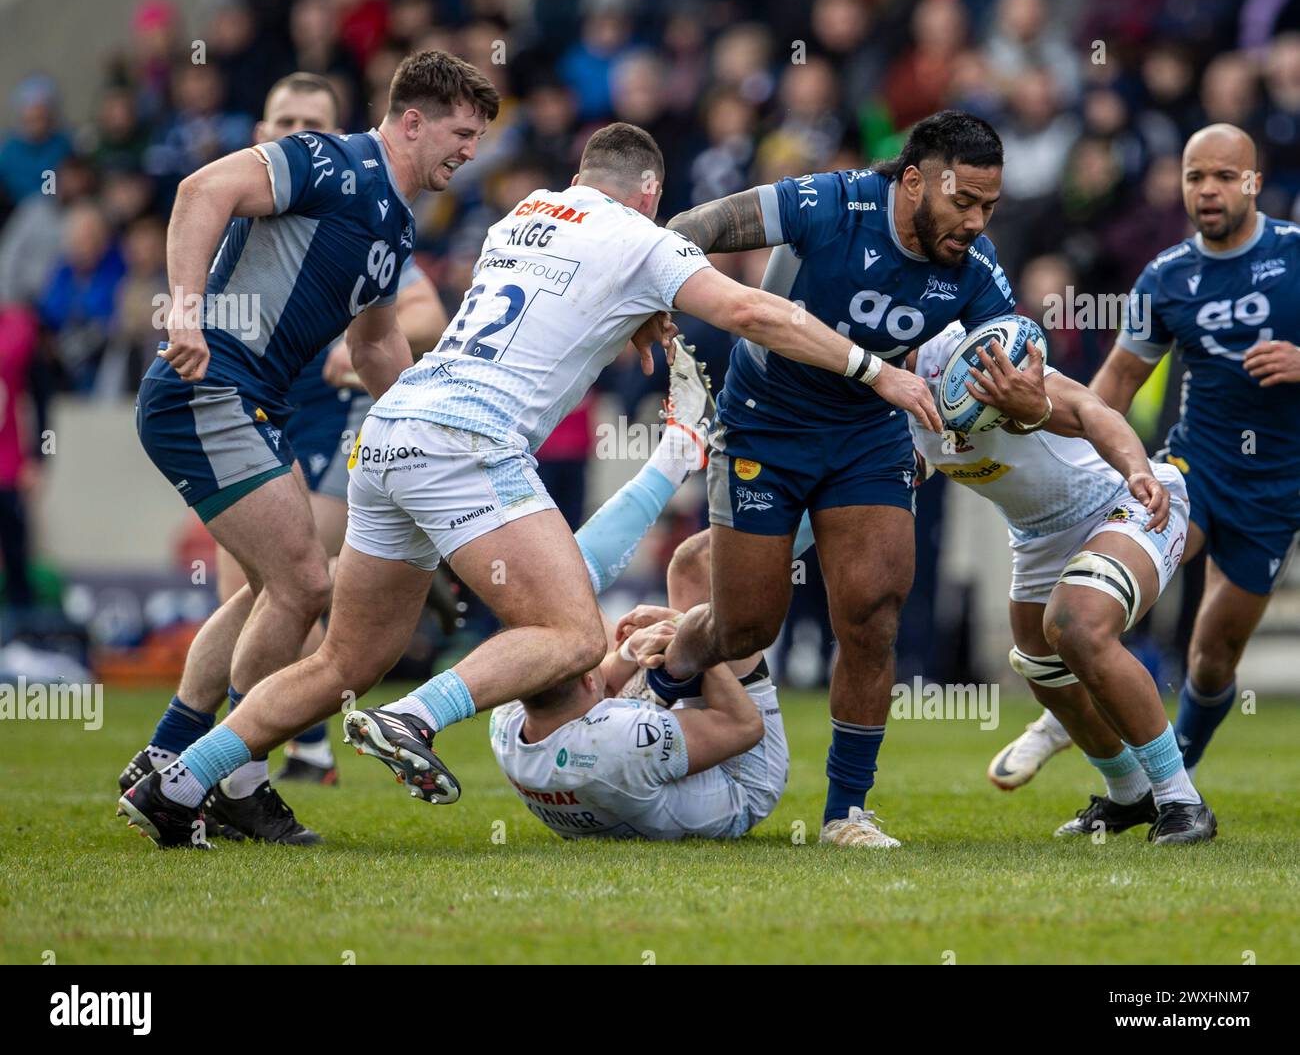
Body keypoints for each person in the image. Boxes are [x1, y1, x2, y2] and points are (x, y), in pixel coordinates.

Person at [118, 120, 937, 848]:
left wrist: (647, 305)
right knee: (576, 637)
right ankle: (416, 716)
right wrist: (874, 371)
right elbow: (760, 314)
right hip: (470, 438)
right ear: (651, 194)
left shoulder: (524, 213)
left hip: (394, 425)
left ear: (583, 176)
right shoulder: (645, 241)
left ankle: (180, 779)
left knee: (342, 659)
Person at [119, 51, 496, 844]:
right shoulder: (331, 158)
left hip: (249, 402)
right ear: (414, 120)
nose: (471, 152)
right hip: (208, 386)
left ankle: (175, 749)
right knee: (300, 583)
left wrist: (435, 443)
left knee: (276, 588)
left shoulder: (396, 218)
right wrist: (183, 308)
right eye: (462, 133)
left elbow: (377, 345)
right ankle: (236, 780)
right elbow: (201, 190)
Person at [654, 110, 1016, 848]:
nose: (976, 221)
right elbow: (692, 225)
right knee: (747, 625)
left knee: (873, 615)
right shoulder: (826, 202)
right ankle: (665, 670)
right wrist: (656, 308)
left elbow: (1016, 357)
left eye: (989, 206)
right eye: (963, 202)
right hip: (763, 425)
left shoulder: (975, 272)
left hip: (867, 439)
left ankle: (845, 812)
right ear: (914, 180)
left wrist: (1028, 399)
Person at [909, 323, 1214, 843]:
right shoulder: (870, 394)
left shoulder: (972, 353)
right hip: (1036, 538)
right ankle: (1130, 794)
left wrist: (1138, 469)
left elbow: (1093, 409)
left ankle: (1182, 801)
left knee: (1077, 627)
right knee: (1042, 669)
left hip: (1117, 500)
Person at [490, 347, 789, 841]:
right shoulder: (614, 738)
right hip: (744, 780)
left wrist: (628, 650)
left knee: (579, 593)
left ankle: (681, 451)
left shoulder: (509, 722)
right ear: (590, 684)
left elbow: (585, 686)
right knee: (695, 566)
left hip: (623, 766)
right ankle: (828, 498)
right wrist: (685, 637)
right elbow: (743, 729)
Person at [1091, 123, 1300, 776]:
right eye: (1194, 177)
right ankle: (1098, 744)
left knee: (1212, 655)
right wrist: (1054, 435)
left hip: (1276, 487)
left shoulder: (1297, 255)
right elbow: (1115, 384)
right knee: (1103, 602)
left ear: (1255, 183)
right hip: (1193, 468)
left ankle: (1177, 763)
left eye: (1224, 176)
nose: (1208, 190)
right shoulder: (1166, 277)